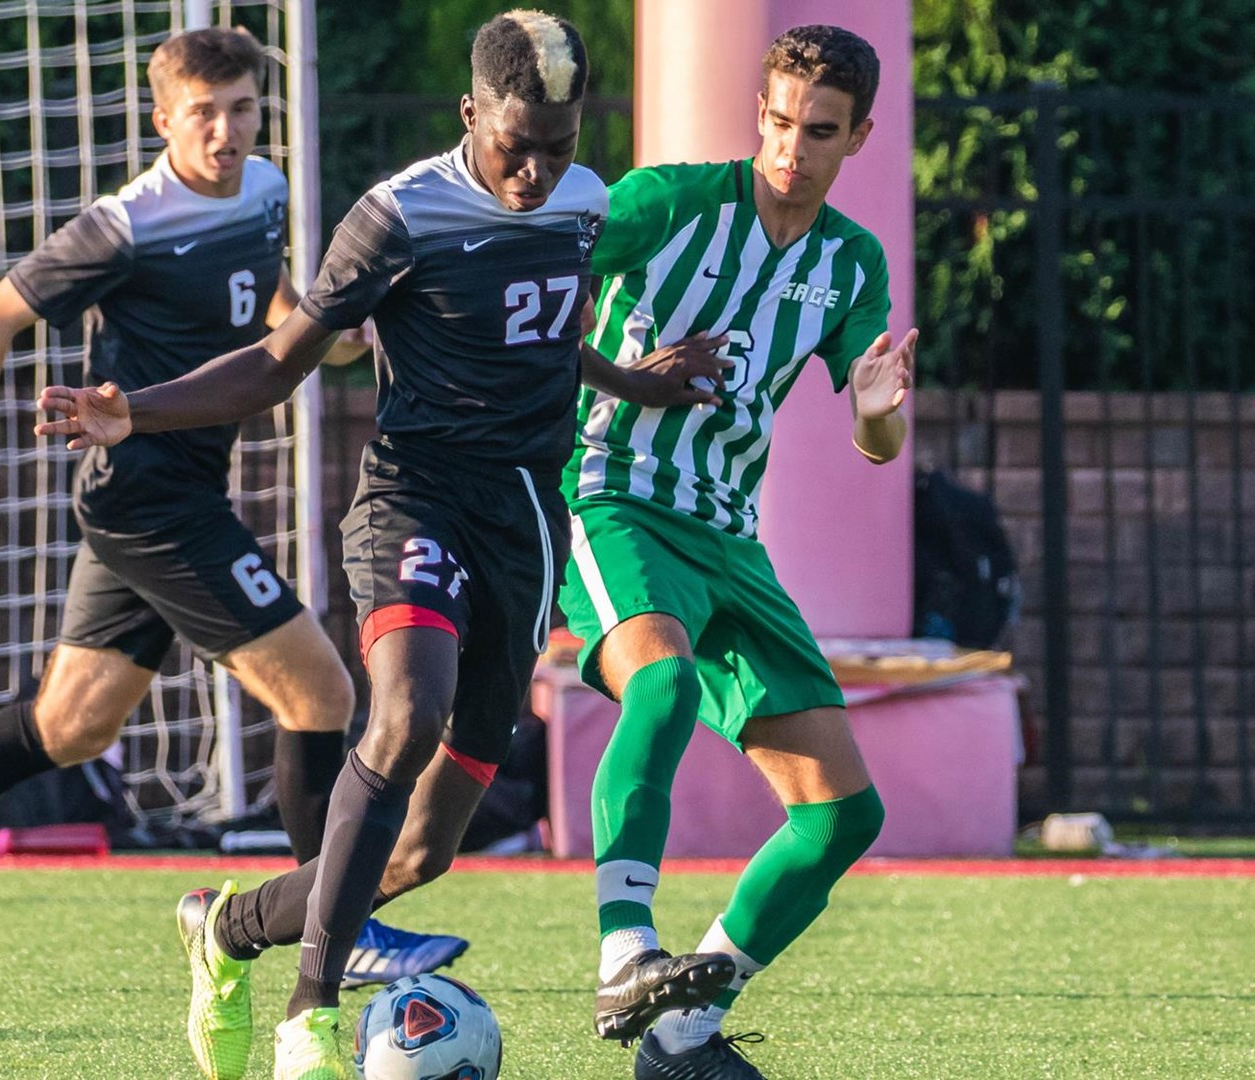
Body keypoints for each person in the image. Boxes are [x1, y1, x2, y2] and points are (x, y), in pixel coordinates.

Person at [37, 12, 726, 1080]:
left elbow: (544, 335)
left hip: (526, 521)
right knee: (403, 714)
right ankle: (310, 1014)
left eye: (559, 144)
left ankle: (225, 928)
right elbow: (278, 361)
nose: (538, 169)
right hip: (414, 500)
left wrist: (638, 381)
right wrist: (137, 409)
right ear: (469, 117)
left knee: (424, 849)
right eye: (515, 145)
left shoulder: (584, 205)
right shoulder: (397, 215)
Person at [0, 26, 464, 987]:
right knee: (320, 692)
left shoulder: (268, 189)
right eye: (204, 112)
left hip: (169, 499)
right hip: (147, 500)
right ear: (163, 119)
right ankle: (340, 926)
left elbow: (271, 298)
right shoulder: (127, 223)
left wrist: (329, 339)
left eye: (242, 108)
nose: (227, 130)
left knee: (71, 726)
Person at [560, 25, 913, 1080]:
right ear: (756, 112)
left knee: (844, 814)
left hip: (727, 534)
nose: (790, 148)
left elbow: (874, 436)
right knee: (659, 685)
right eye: (776, 121)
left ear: (859, 136)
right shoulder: (661, 203)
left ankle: (682, 1032)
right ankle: (625, 950)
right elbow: (524, 310)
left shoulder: (851, 262)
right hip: (610, 494)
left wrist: (880, 411)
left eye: (818, 131)